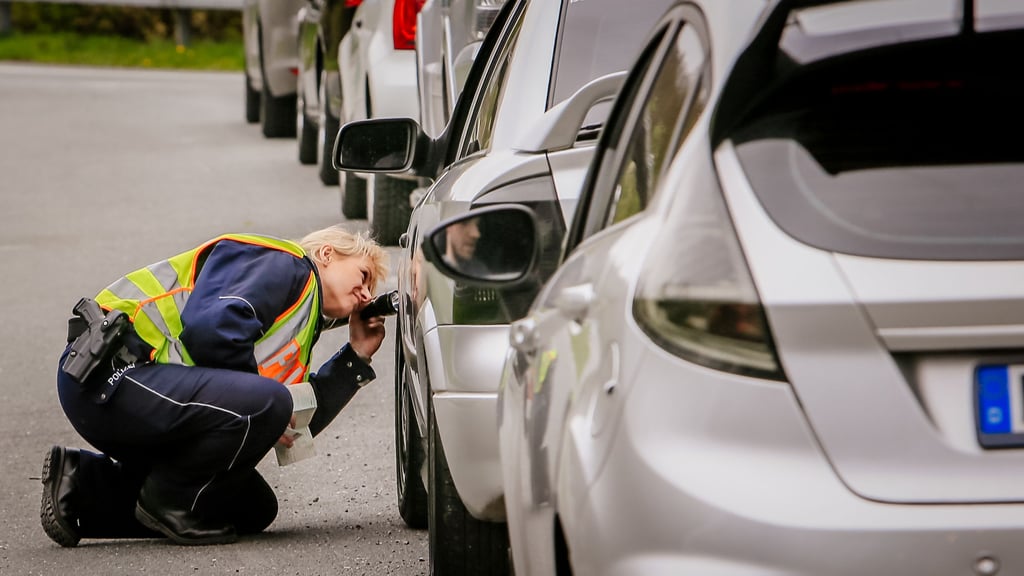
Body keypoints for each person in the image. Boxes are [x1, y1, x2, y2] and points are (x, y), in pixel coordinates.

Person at [40, 225, 389, 547]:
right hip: (110, 374)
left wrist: (356, 356)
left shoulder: (299, 324)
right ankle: (170, 500)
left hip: (137, 398)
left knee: (249, 508)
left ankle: (82, 484)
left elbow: (293, 423)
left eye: (370, 290)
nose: (364, 294)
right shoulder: (286, 265)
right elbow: (211, 330)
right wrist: (263, 402)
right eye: (363, 276)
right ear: (327, 254)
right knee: (267, 403)